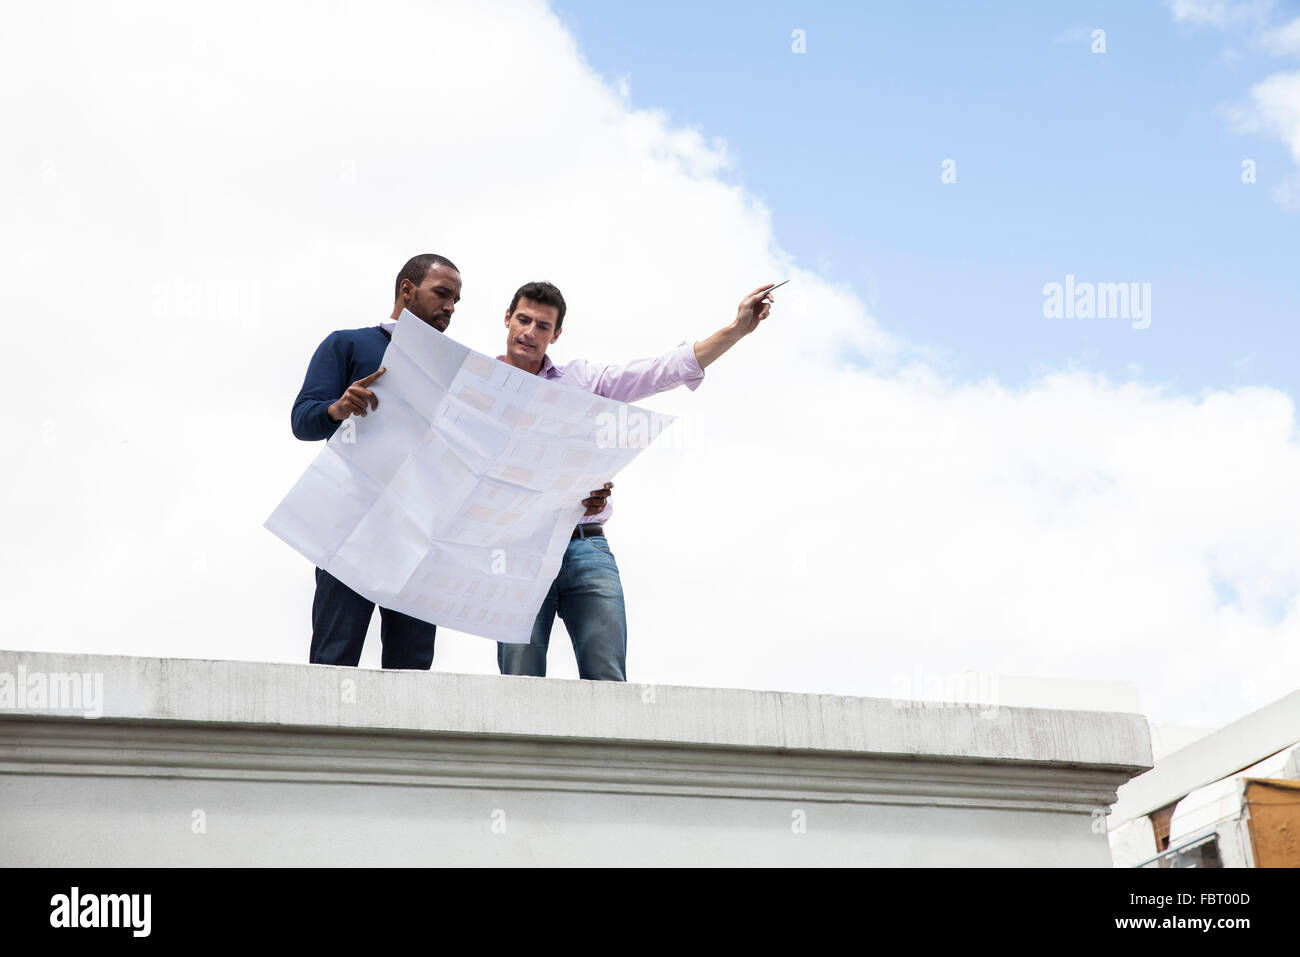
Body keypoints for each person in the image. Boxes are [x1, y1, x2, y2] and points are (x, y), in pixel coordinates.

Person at [290, 254, 613, 669]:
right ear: (407, 290)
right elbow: (303, 420)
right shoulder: (348, 344)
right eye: (442, 294)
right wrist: (337, 409)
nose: (450, 307)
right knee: (334, 657)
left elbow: (500, 455)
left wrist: (576, 486)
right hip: (351, 529)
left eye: (456, 300)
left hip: (422, 541)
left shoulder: (460, 370)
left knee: (412, 669)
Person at [495, 279, 775, 682]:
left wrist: (736, 329)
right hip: (519, 547)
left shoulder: (583, 381)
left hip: (585, 543)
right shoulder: (477, 385)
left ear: (556, 335)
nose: (530, 332)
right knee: (519, 679)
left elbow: (658, 372)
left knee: (608, 679)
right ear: (507, 318)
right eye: (524, 320)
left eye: (543, 326)